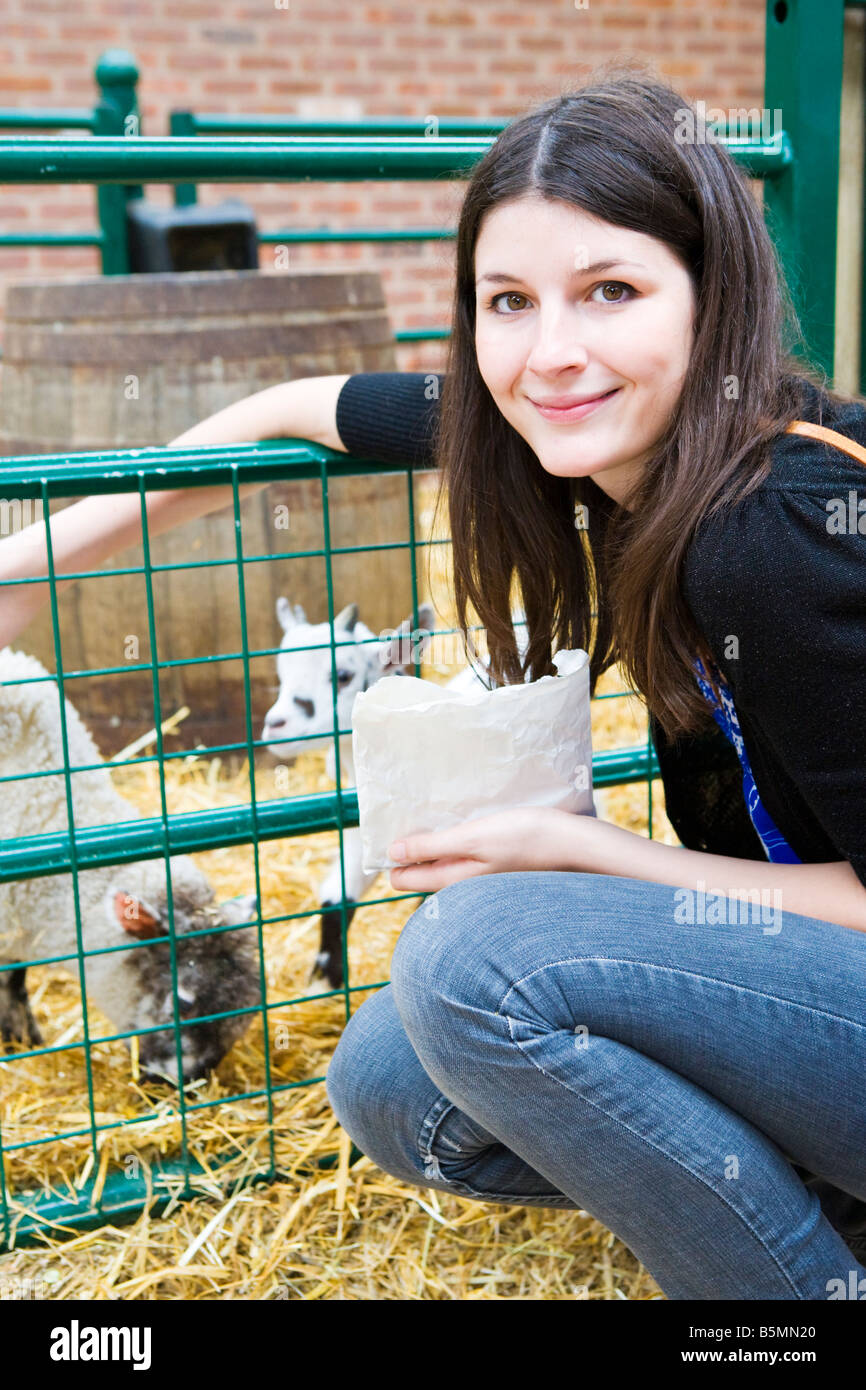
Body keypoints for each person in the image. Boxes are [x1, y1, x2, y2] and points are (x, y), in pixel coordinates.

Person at [2, 66, 866, 1300]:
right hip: (814, 996)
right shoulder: (587, 440)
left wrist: (586, 854)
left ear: (707, 296)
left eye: (610, 290)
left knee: (478, 956)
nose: (550, 351)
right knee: (394, 1085)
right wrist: (19, 571)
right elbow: (281, 411)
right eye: (505, 300)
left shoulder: (768, 529)